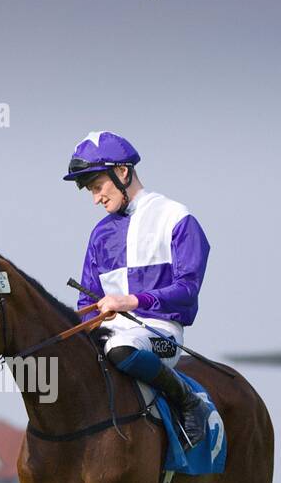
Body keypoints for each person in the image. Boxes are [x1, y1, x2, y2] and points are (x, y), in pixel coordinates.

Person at [64, 131, 212, 446]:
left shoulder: (177, 217)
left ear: (122, 172)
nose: (96, 199)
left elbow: (187, 290)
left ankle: (188, 402)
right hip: (109, 334)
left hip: (161, 336)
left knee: (121, 349)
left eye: (98, 187)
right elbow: (86, 300)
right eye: (90, 191)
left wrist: (130, 301)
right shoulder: (100, 234)